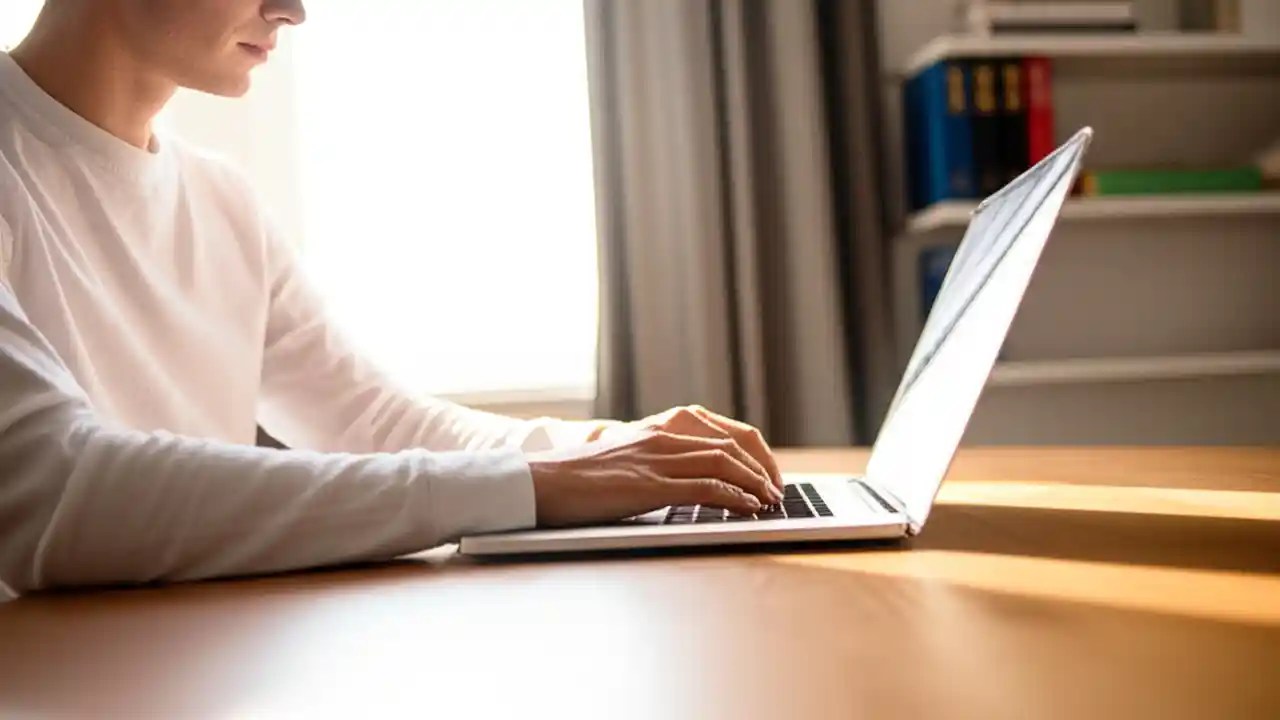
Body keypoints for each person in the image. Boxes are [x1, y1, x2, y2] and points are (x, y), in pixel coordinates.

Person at [0, 0, 785, 600]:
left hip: (187, 666)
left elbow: (377, 426)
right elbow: (55, 496)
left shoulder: (220, 200)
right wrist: (533, 487)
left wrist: (612, 454)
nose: (294, 9)